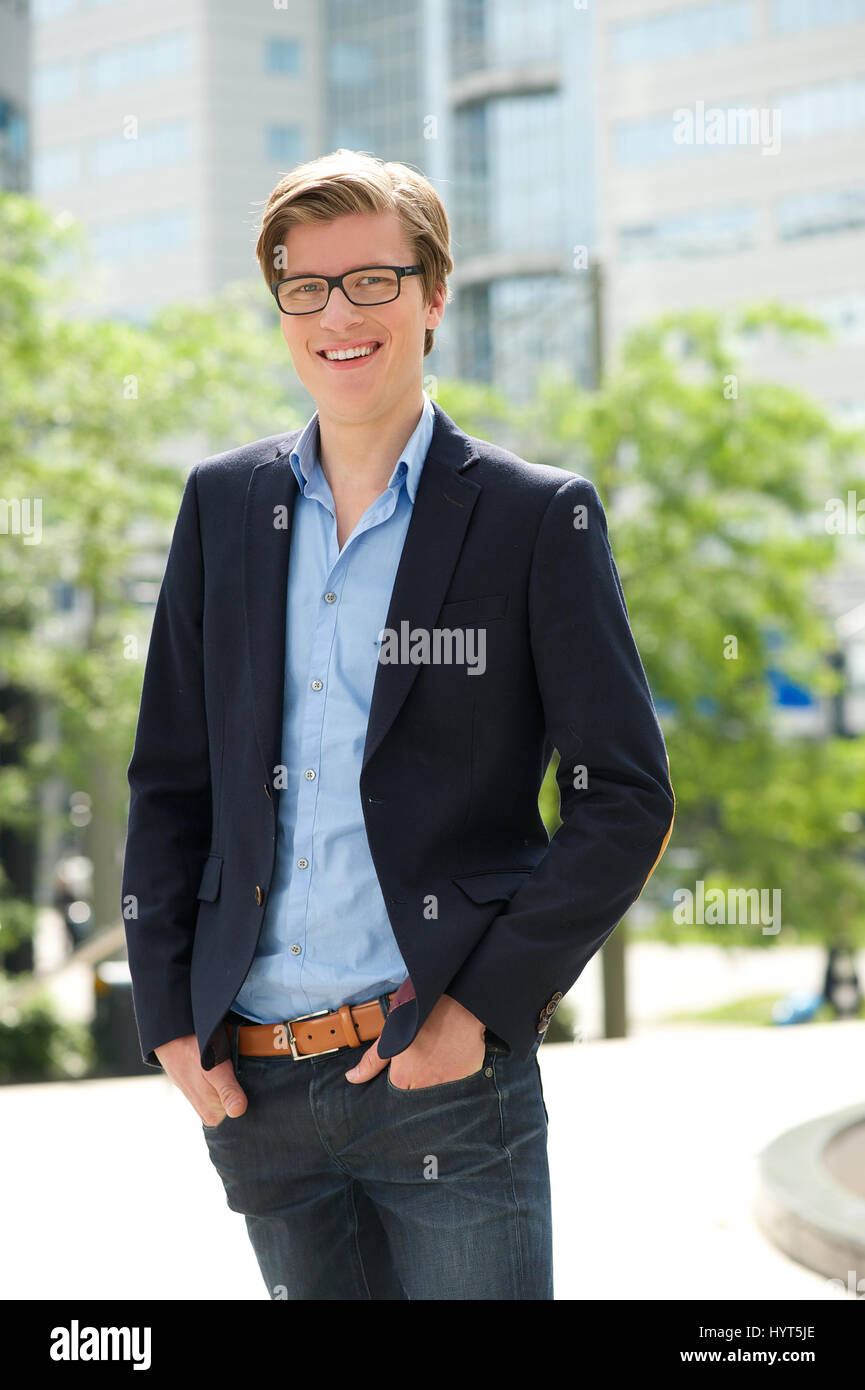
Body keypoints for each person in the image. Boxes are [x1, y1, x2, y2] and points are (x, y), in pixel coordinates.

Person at [121, 148, 675, 1301]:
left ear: (432, 295)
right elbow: (172, 776)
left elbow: (622, 793)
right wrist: (169, 1015)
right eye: (305, 286)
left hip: (443, 1080)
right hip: (258, 1089)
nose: (338, 314)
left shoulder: (535, 517)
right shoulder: (223, 506)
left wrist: (479, 1012)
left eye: (371, 281)